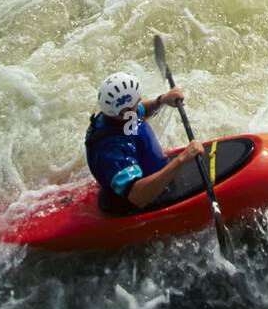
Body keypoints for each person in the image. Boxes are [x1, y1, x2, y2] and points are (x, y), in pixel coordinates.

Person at [86, 71, 203, 214]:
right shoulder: (112, 150)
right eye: (136, 100)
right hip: (135, 204)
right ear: (125, 110)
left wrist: (162, 100)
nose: (140, 100)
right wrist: (181, 160)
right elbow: (138, 197)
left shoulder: (113, 116)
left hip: (151, 172)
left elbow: (140, 109)